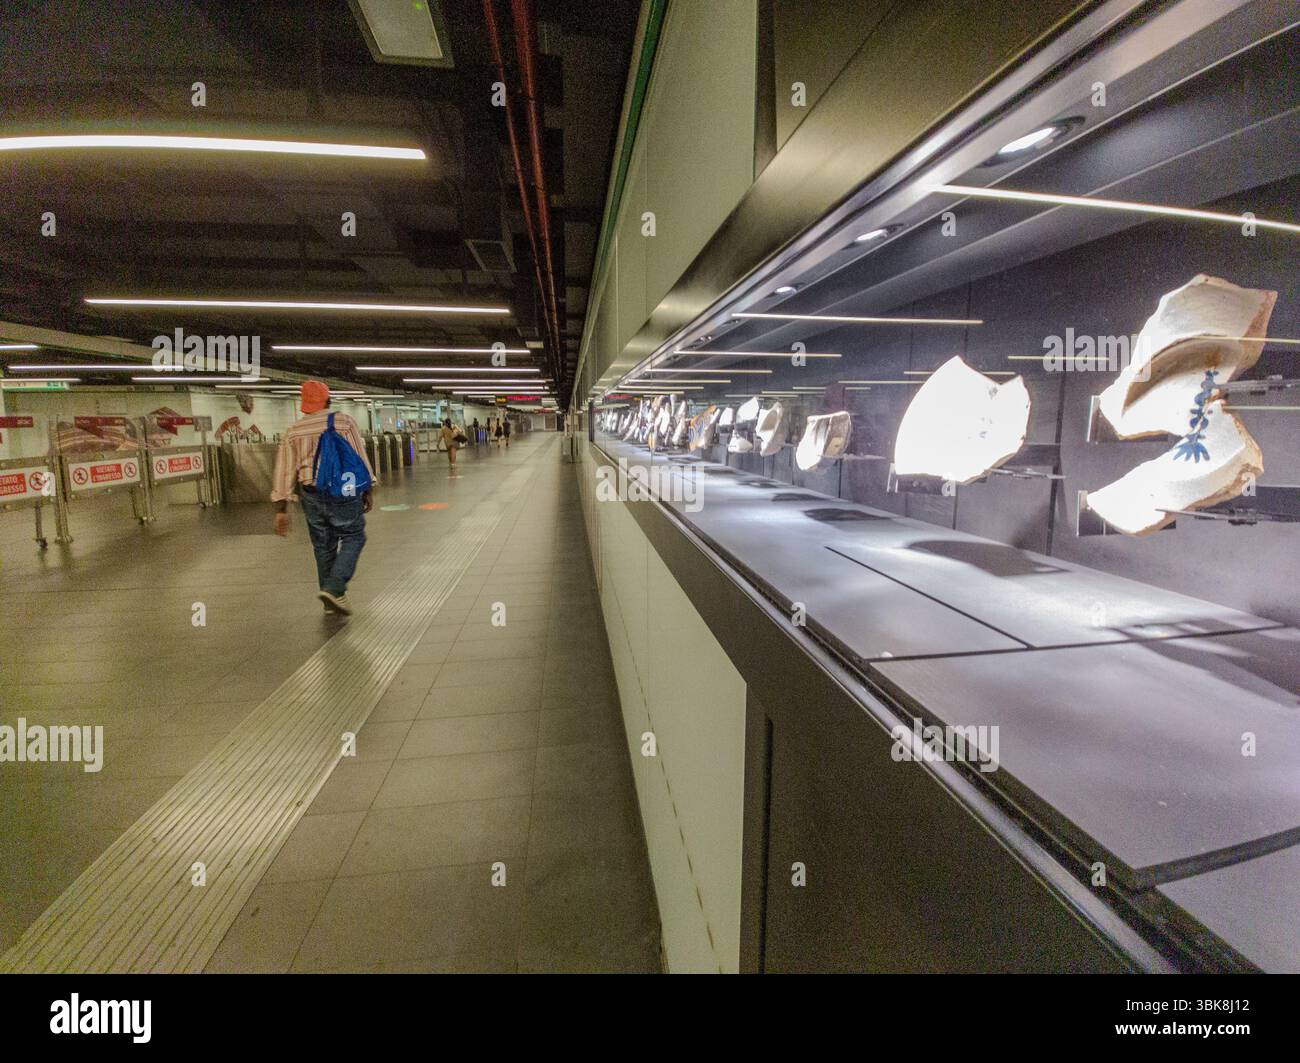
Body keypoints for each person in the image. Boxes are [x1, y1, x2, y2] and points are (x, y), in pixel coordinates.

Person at [271, 380, 375, 615]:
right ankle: (335, 588)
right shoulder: (344, 422)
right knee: (354, 536)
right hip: (344, 490)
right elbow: (359, 457)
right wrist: (368, 488)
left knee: (322, 546)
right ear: (328, 400)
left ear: (304, 404)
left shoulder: (293, 430)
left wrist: (281, 509)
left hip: (311, 493)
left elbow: (285, 470)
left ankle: (330, 600)